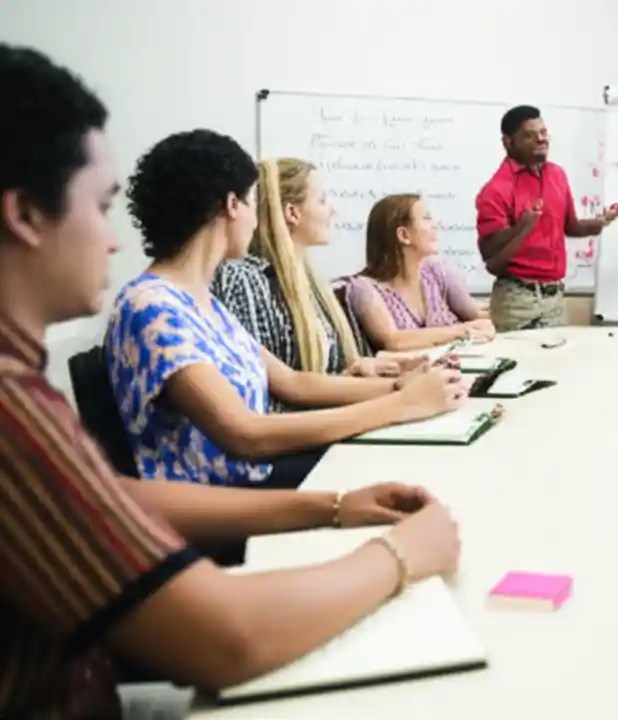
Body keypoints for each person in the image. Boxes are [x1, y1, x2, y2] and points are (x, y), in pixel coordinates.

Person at [0, 44, 461, 718]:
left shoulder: (199, 304)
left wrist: (334, 503)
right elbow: (227, 638)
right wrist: (398, 554)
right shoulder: (26, 396)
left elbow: (115, 490)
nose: (109, 240)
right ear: (25, 215)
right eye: (98, 207)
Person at [106, 129, 467, 489]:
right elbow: (247, 434)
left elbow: (294, 383)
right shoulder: (153, 307)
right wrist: (401, 404)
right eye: (252, 203)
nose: (257, 219)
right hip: (231, 495)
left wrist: (400, 387)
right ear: (233, 205)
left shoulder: (201, 302)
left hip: (259, 476)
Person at [210, 157, 401, 380]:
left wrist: (368, 371)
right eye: (321, 200)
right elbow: (268, 391)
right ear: (293, 213)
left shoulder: (313, 283)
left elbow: (335, 373)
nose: (332, 210)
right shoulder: (243, 280)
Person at [476, 105, 618, 331]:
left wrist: (600, 222)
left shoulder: (557, 175)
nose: (540, 139)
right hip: (518, 301)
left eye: (543, 133)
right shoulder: (495, 190)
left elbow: (571, 226)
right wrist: (522, 228)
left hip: (554, 298)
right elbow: (491, 256)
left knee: (556, 364)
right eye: (529, 135)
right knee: (520, 365)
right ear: (508, 142)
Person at [348, 193, 495, 352]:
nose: (435, 225)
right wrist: (461, 331)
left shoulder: (439, 272)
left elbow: (475, 316)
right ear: (404, 235)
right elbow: (394, 341)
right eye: (426, 218)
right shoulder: (364, 288)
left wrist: (486, 327)